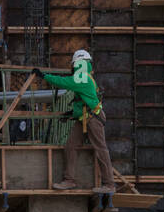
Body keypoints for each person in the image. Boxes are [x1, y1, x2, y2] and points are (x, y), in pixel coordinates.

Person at [38, 49, 116, 192]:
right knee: (70, 146)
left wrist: (44, 76)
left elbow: (63, 82)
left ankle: (109, 184)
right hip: (84, 118)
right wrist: (73, 113)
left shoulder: (82, 77)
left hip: (92, 118)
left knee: (100, 149)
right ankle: (69, 180)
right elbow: (84, 99)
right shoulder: (86, 76)